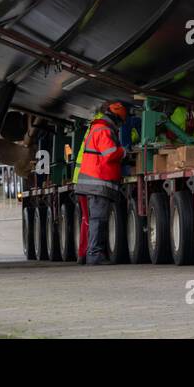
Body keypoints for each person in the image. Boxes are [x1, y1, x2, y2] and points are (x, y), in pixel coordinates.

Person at [74, 100, 127, 265]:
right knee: (98, 220)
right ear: (116, 119)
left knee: (97, 220)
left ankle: (92, 254)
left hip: (93, 183)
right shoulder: (104, 130)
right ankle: (94, 255)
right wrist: (124, 151)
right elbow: (110, 153)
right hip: (97, 183)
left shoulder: (98, 127)